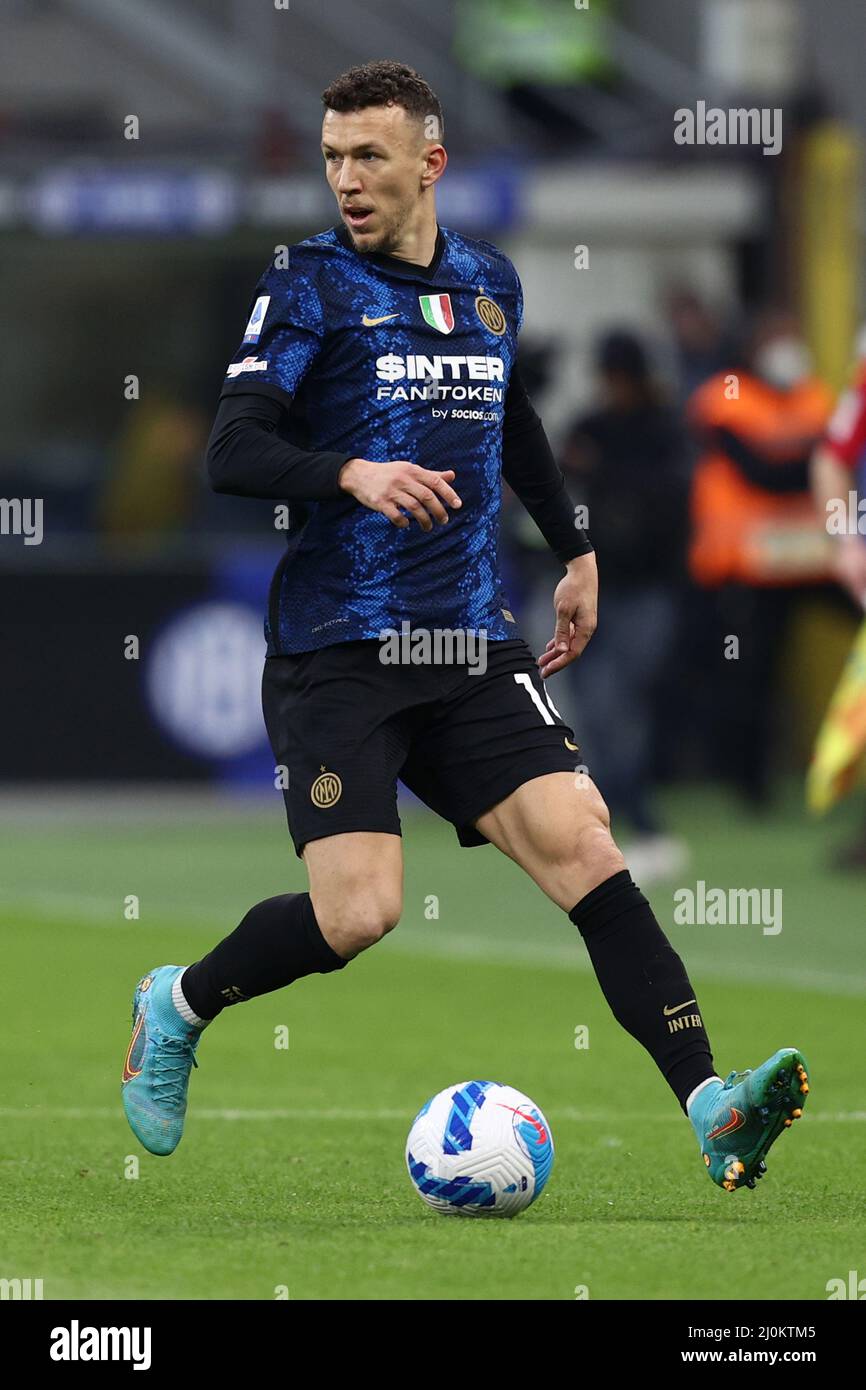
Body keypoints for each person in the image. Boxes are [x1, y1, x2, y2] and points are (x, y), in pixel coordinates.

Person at [120, 61, 809, 1194]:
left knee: (587, 845)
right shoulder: (306, 285)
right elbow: (233, 449)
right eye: (335, 157)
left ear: (429, 162)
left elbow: (513, 420)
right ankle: (177, 1003)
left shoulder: (488, 284)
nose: (347, 179)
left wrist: (574, 545)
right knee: (359, 914)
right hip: (337, 650)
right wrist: (351, 468)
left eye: (370, 157)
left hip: (467, 645)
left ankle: (711, 1105)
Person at [559, 330, 690, 883]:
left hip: (648, 588)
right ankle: (617, 821)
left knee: (625, 707)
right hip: (593, 586)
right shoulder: (589, 426)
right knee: (594, 709)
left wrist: (605, 474)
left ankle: (634, 818)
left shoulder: (663, 429)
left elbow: (669, 501)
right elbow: (555, 485)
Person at [687, 310, 833, 804]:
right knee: (750, 674)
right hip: (747, 565)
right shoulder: (726, 398)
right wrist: (815, 463)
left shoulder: (813, 396)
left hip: (811, 558)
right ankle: (749, 784)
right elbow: (762, 473)